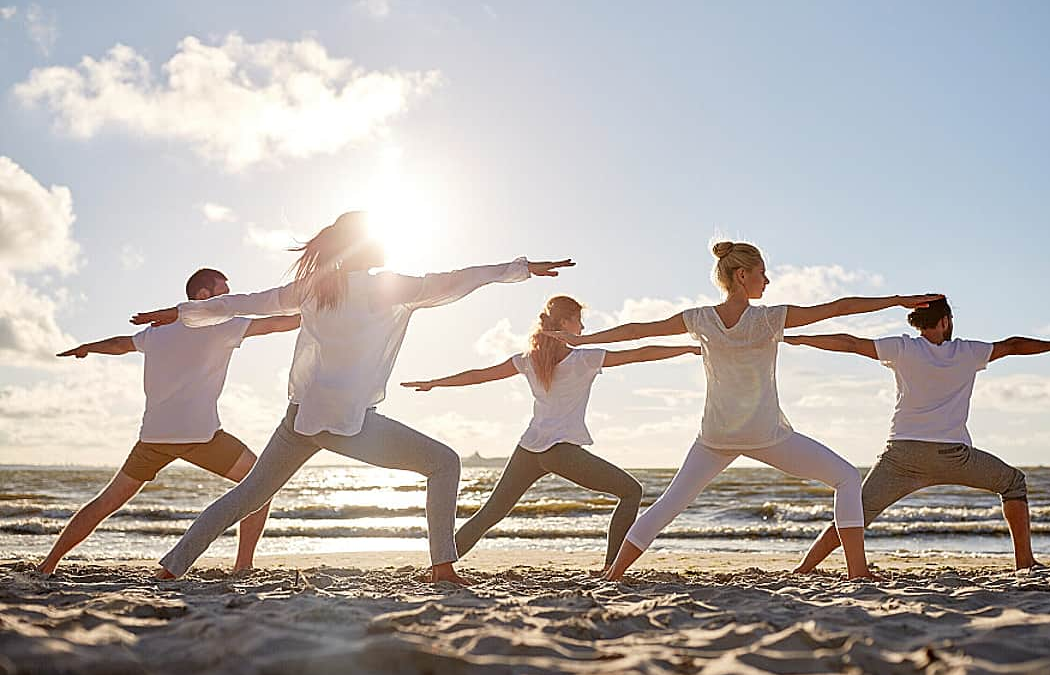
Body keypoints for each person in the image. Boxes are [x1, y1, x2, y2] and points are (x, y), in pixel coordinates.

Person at [130, 211, 572, 586]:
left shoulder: (315, 287)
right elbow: (457, 279)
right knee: (445, 463)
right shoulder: (388, 286)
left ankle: (170, 569)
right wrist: (521, 269)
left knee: (247, 495)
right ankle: (442, 568)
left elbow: (245, 303)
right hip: (347, 422)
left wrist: (181, 313)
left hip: (301, 417)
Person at [548, 241, 942, 580]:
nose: (766, 281)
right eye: (762, 273)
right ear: (741, 276)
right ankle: (857, 572)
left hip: (716, 435)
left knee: (667, 504)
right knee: (845, 478)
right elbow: (837, 307)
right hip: (765, 433)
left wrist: (582, 341)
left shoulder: (699, 318)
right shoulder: (769, 318)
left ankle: (613, 575)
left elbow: (636, 330)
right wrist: (896, 301)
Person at [787, 297, 1050, 572]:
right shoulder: (968, 351)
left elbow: (849, 342)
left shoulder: (902, 348)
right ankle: (1025, 562)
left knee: (856, 513)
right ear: (945, 321)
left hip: (902, 456)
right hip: (952, 456)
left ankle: (804, 567)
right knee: (1013, 483)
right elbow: (1013, 345)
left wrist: (801, 339)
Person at [401, 295, 700, 570]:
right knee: (631, 492)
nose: (582, 326)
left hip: (529, 449)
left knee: (488, 515)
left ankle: (438, 568)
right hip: (560, 451)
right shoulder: (583, 359)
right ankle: (611, 571)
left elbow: (480, 376)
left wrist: (435, 383)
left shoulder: (529, 359)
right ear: (564, 323)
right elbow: (640, 354)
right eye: (578, 320)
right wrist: (688, 348)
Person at [38, 268, 299, 574]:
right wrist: (326, 310)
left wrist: (87, 348)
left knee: (106, 502)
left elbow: (121, 344)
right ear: (202, 296)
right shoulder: (222, 327)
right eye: (223, 293)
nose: (228, 301)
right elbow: (279, 324)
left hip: (154, 439)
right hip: (201, 438)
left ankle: (47, 565)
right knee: (260, 485)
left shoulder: (158, 332)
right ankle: (243, 565)